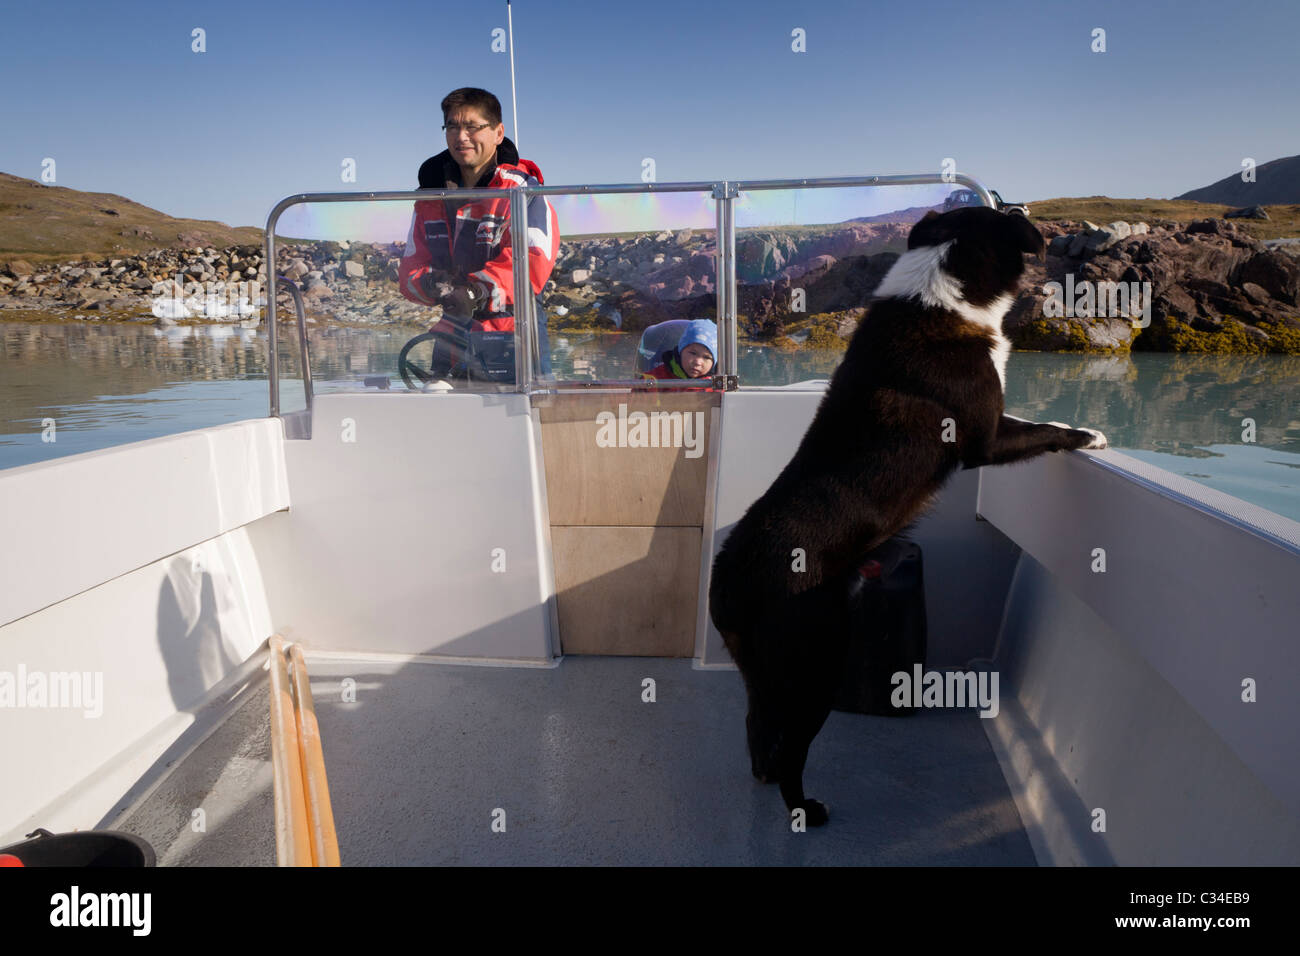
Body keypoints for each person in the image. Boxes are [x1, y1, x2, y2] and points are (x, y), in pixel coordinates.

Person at [398, 87, 559, 384]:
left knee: (521, 426)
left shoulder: (523, 191)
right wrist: (431, 283)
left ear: (498, 133)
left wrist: (476, 291)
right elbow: (410, 267)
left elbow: (533, 260)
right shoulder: (430, 197)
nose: (461, 137)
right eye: (453, 126)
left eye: (473, 126)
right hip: (449, 344)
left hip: (515, 344)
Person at [643, 318, 717, 380]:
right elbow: (639, 392)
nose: (697, 362)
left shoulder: (718, 386)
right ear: (681, 351)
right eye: (693, 353)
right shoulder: (656, 379)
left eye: (706, 357)